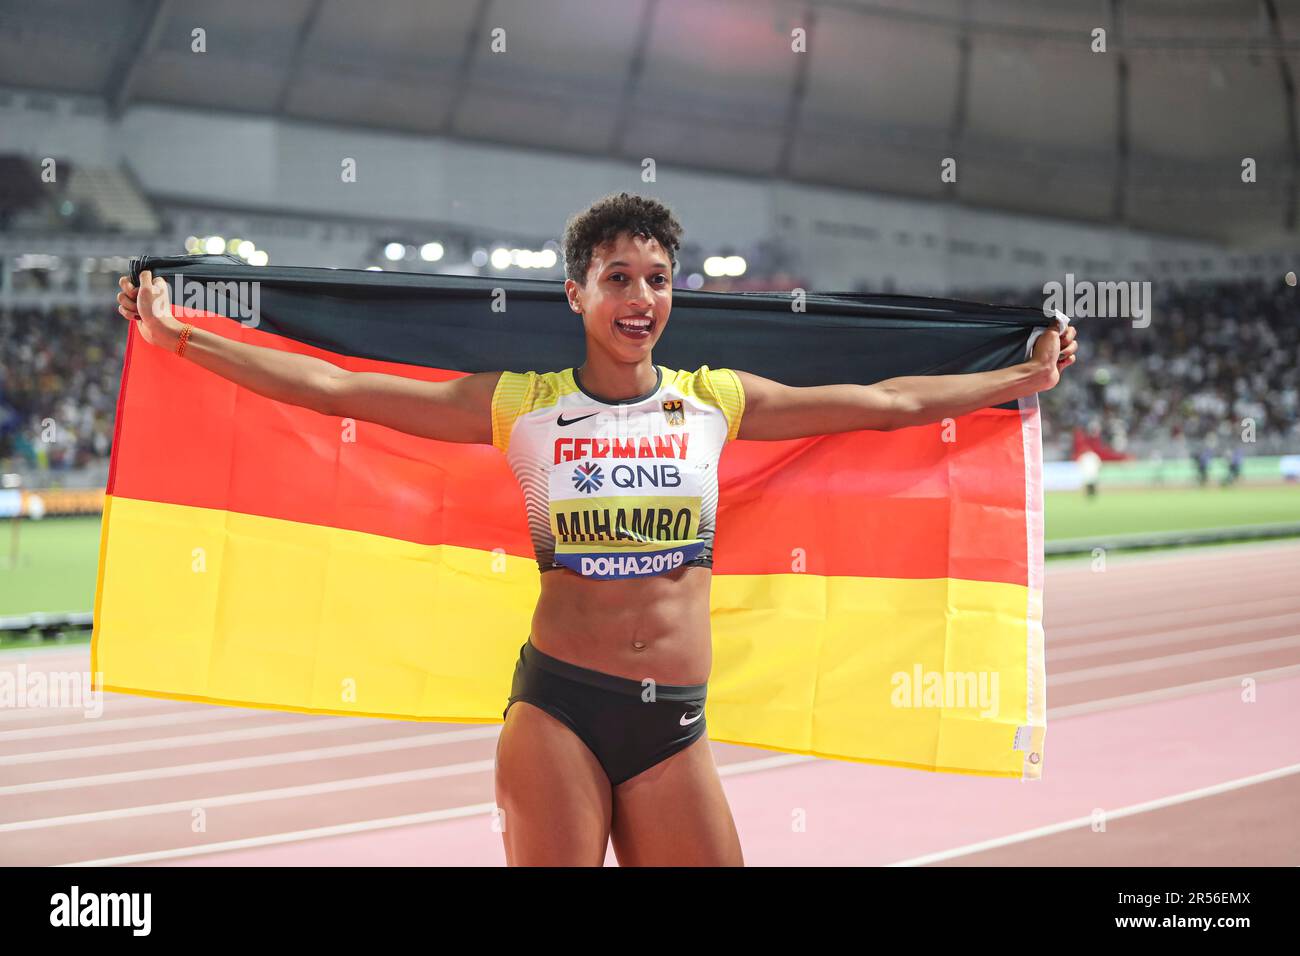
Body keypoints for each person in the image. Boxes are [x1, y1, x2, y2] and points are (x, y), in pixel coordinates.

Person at [116, 192, 1078, 866]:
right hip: (559, 711)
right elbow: (337, 387)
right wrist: (184, 338)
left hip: (675, 722)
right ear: (576, 294)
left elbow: (882, 400)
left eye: (657, 279)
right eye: (618, 278)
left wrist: (1017, 378)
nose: (642, 299)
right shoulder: (522, 406)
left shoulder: (715, 402)